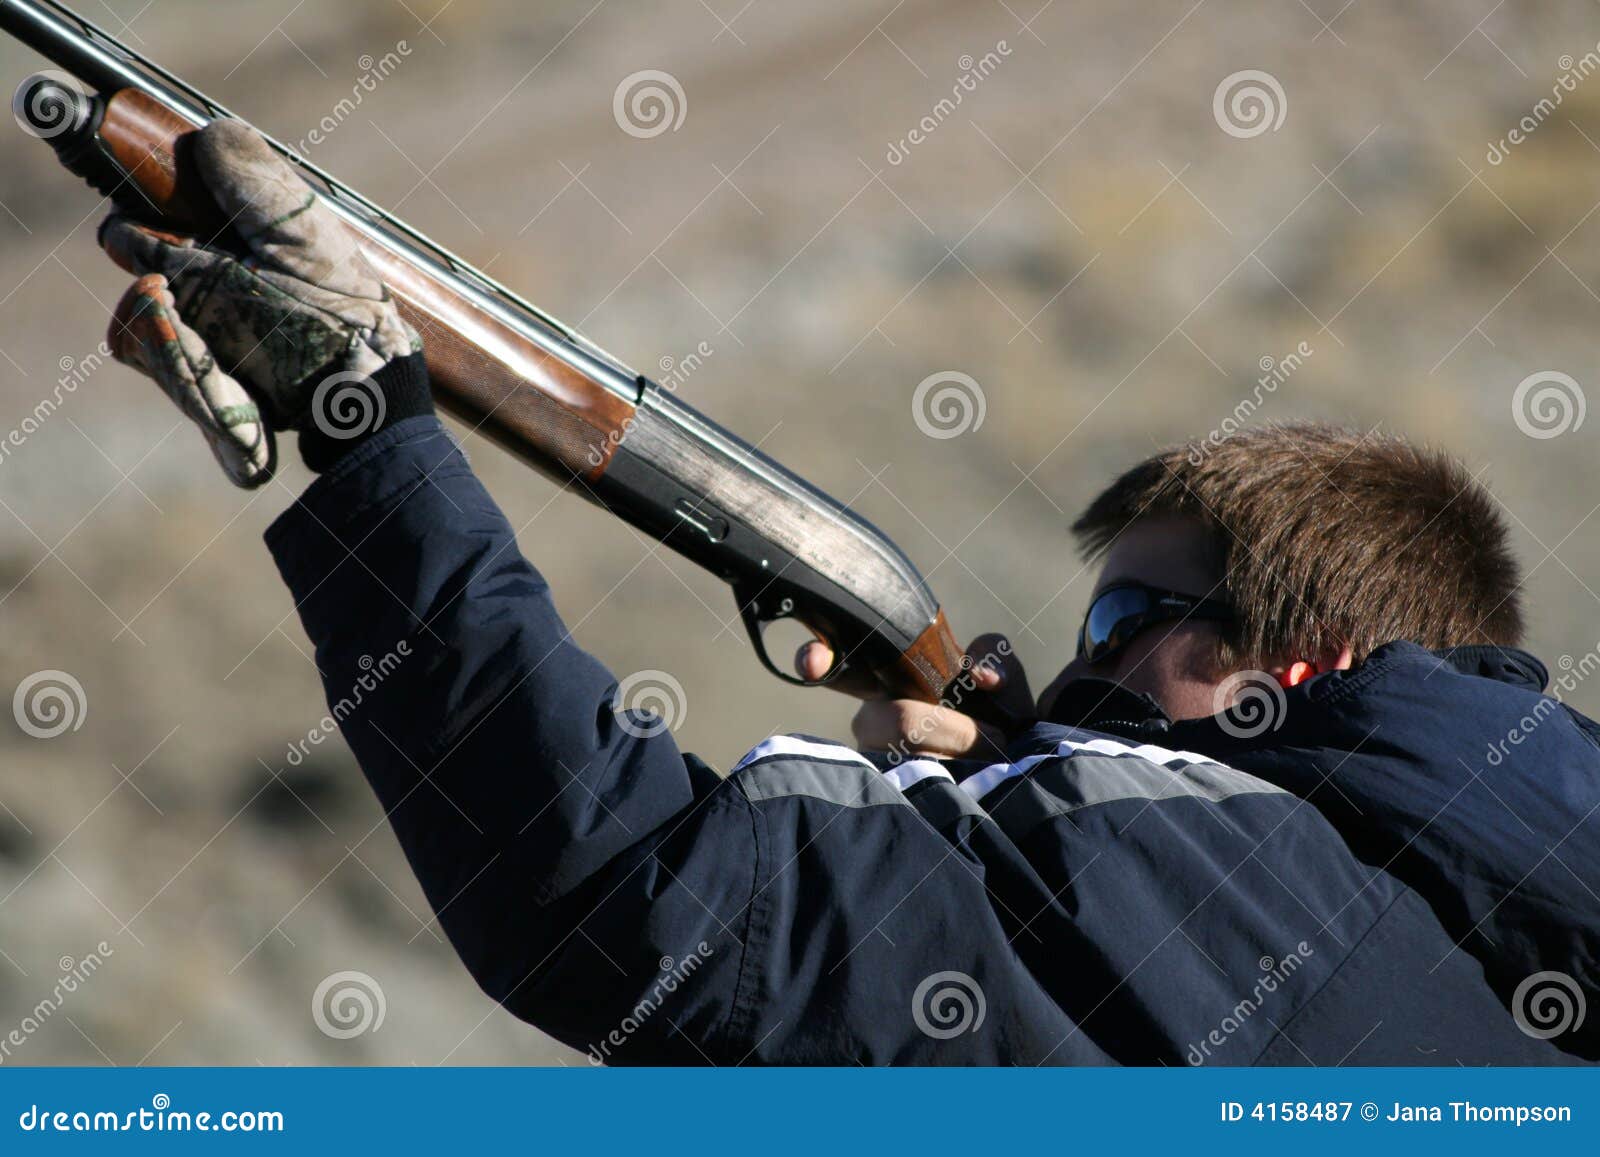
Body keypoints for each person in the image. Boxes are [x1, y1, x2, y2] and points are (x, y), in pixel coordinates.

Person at [99, 122, 1597, 1065]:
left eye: (1126, 628)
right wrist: (1038, 776)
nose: (1085, 673)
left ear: (1311, 662)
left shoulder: (1209, 872)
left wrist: (371, 436)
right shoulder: (1473, 950)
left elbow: (625, 905)